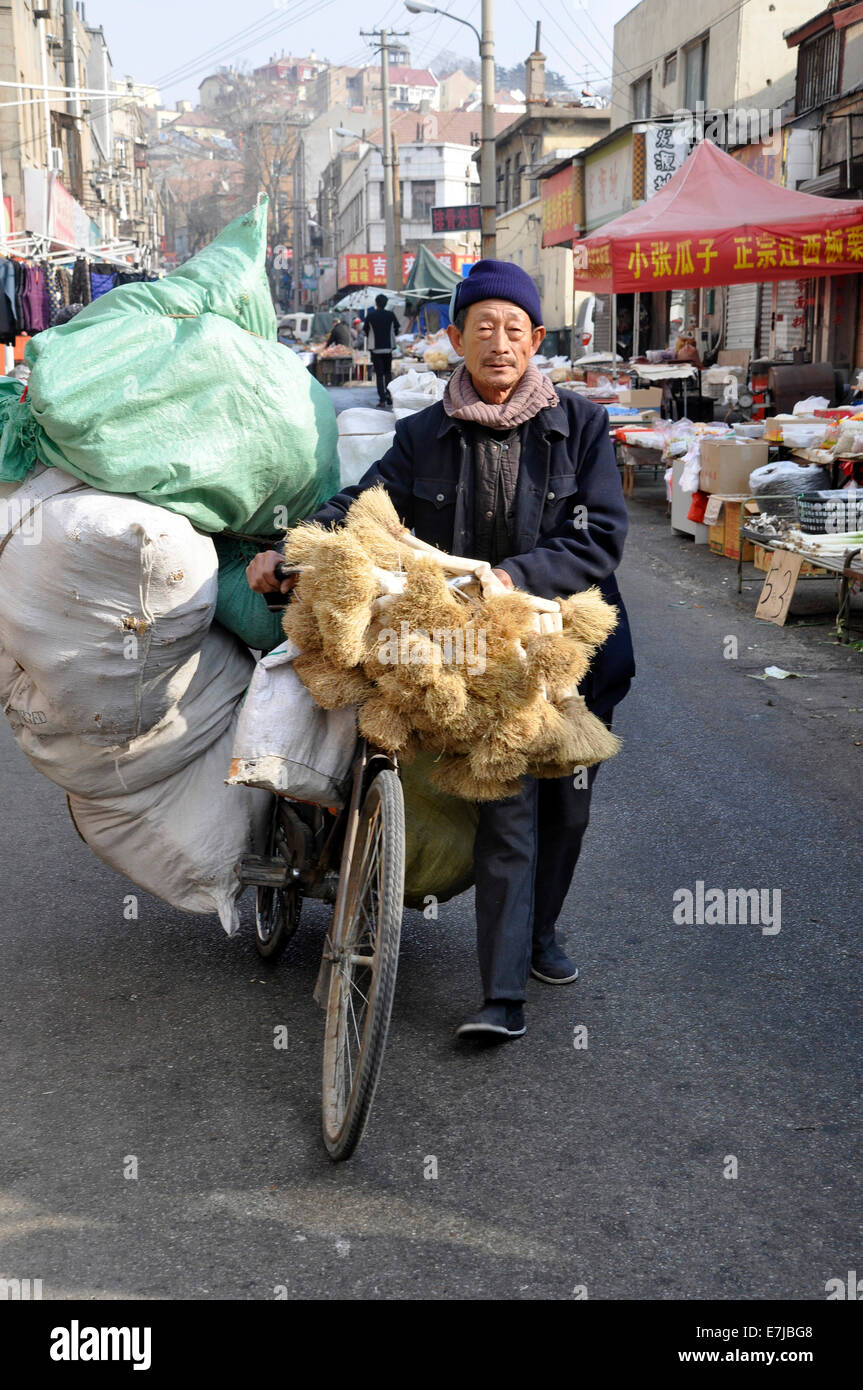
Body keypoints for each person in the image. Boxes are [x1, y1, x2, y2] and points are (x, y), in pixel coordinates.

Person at [247, 259, 635, 1043]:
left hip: (564, 648)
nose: (500, 344)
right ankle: (501, 998)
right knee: (510, 808)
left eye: (515, 329)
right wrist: (291, 552)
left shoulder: (582, 427)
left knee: (569, 809)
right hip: (476, 650)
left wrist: (511, 576)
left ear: (536, 340)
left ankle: (539, 932)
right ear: (453, 339)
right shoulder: (423, 435)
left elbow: (600, 536)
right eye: (482, 328)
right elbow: (364, 508)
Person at [363, 293, 401, 407]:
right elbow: (397, 328)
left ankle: (382, 399)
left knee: (379, 374)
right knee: (388, 373)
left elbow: (365, 331)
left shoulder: (370, 315)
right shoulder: (390, 315)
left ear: (376, 303)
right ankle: (390, 396)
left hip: (375, 349)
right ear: (386, 303)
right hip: (388, 348)